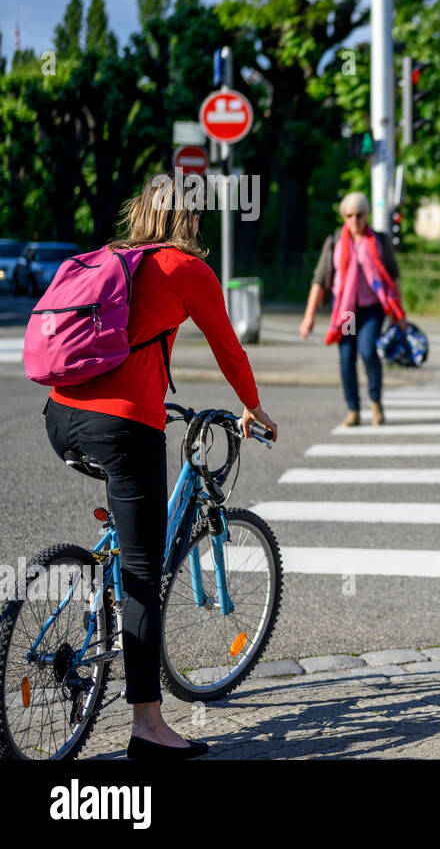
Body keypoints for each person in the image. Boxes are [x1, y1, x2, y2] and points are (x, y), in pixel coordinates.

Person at [43, 174, 278, 759]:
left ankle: (97, 578)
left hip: (60, 416)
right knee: (144, 577)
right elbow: (229, 347)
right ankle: (147, 726)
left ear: (141, 214)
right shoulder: (186, 269)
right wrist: (253, 407)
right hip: (123, 426)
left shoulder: (110, 257)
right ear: (191, 220)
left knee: (128, 533)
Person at [300, 192, 405, 427]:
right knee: (347, 358)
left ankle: (376, 402)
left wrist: (400, 313)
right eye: (349, 216)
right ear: (343, 217)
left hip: (371, 307)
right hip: (345, 311)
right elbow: (319, 280)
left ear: (367, 215)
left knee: (367, 351)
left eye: (359, 215)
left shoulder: (379, 240)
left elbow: (393, 277)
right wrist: (309, 317)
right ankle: (353, 409)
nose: (355, 220)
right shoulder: (335, 241)